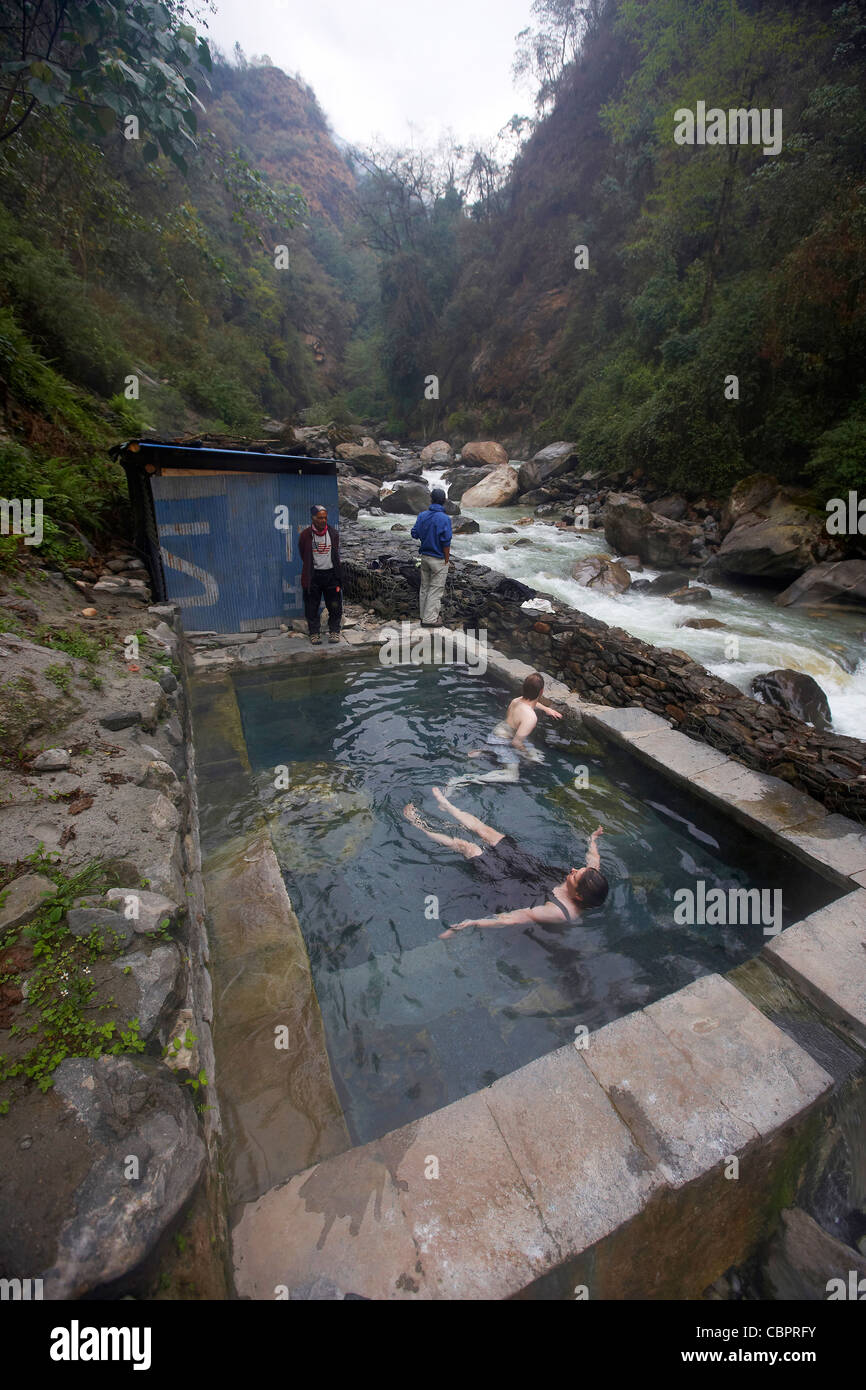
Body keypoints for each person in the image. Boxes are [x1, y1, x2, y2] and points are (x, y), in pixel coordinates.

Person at [402, 787, 608, 938]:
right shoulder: (590, 880)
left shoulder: (558, 913)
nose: (572, 870)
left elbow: (514, 917)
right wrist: (593, 839)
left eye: (575, 875)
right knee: (486, 832)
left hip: (512, 887)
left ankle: (419, 826)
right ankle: (447, 806)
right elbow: (593, 861)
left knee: (468, 847)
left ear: (579, 895)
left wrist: (471, 923)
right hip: (532, 870)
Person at [444, 672, 563, 792]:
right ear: (541, 692)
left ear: (524, 688)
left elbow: (532, 702)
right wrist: (528, 755)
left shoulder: (516, 701)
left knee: (523, 750)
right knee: (512, 776)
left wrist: (547, 709)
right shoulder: (531, 717)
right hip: (504, 741)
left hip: (497, 731)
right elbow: (516, 743)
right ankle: (466, 780)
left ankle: (485, 751)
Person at [298, 504, 342, 645]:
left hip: (331, 575)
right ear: (313, 518)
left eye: (325, 517)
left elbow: (335, 555)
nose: (323, 520)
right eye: (320, 518)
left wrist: (338, 576)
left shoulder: (333, 533)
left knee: (335, 605)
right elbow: (303, 553)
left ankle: (334, 631)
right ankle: (314, 633)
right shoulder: (305, 535)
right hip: (313, 576)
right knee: (312, 606)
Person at [410, 487, 452, 626]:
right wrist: (447, 560)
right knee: (436, 589)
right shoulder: (445, 518)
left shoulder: (422, 515)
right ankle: (430, 620)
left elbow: (414, 533)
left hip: (425, 556)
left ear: (431, 499)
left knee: (425, 588)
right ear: (444, 501)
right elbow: (446, 542)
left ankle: (423, 616)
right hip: (438, 558)